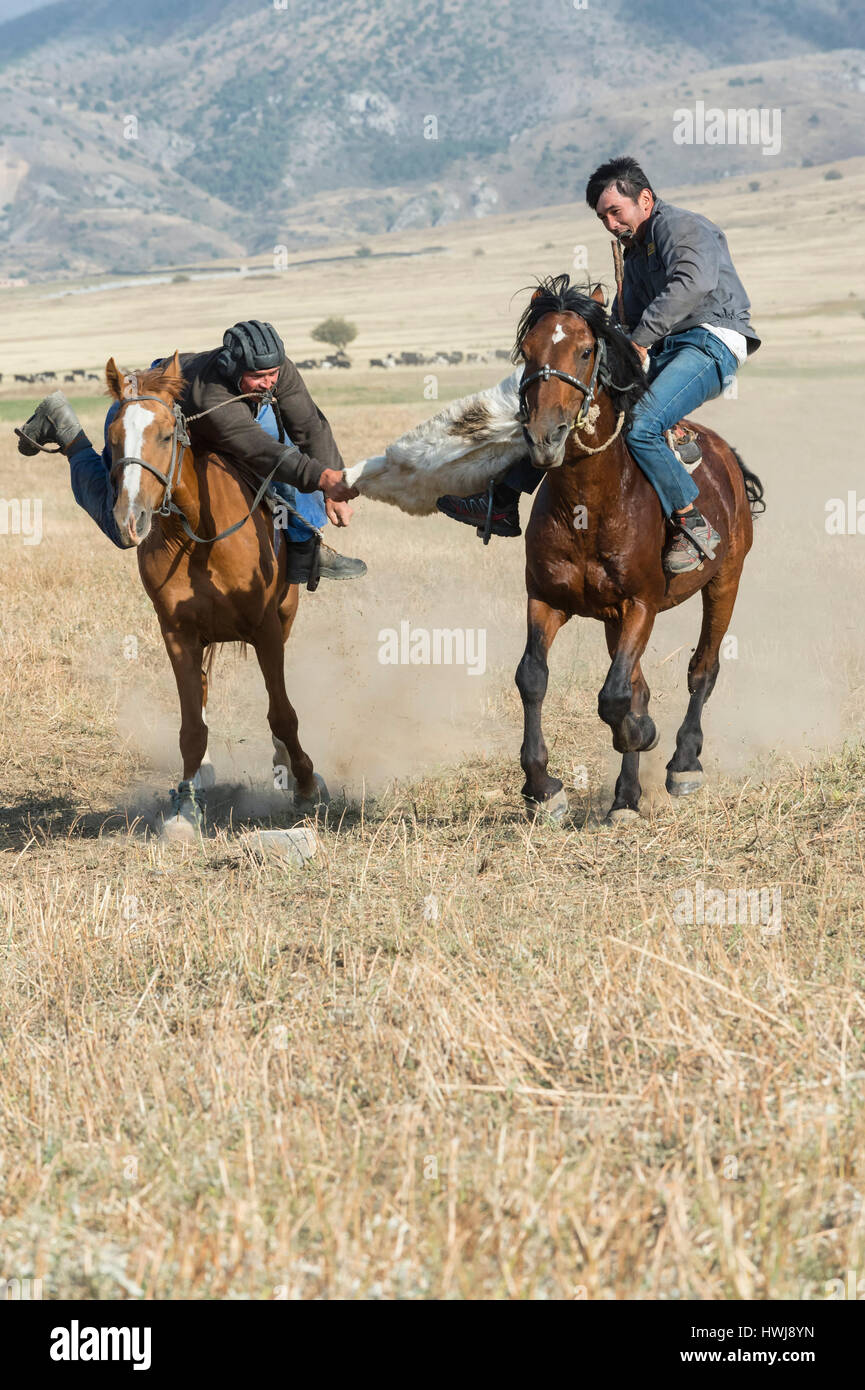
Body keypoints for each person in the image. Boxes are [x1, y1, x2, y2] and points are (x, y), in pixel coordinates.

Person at [437, 156, 761, 574]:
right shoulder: (636, 252)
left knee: (642, 425)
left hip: (711, 340)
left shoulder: (680, 227)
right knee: (574, 404)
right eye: (602, 217)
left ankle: (691, 523)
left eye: (615, 211)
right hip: (667, 346)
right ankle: (503, 500)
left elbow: (692, 283)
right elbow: (633, 320)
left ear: (645, 199)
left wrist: (637, 339)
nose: (610, 223)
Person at [17, 319, 365, 580]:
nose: (269, 382)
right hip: (147, 408)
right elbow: (258, 451)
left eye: (272, 373)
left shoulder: (277, 371)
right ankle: (66, 430)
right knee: (124, 526)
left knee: (290, 443)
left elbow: (310, 425)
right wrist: (321, 478)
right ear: (233, 368)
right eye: (259, 376)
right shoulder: (210, 393)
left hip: (226, 413)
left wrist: (335, 487)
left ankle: (306, 546)